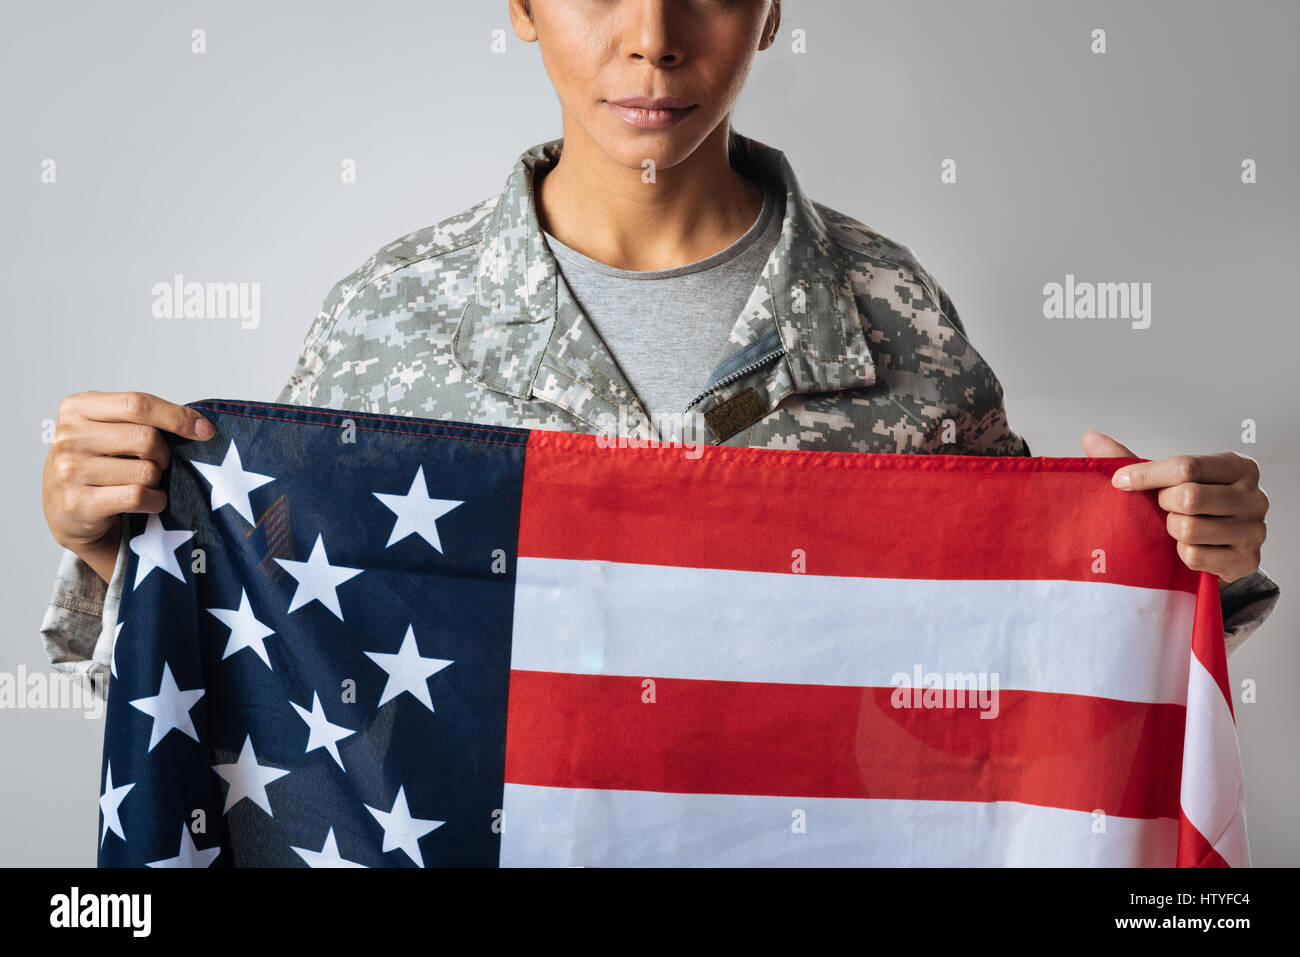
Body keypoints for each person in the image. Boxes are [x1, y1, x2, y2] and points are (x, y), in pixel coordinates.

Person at [39, 0, 1277, 692]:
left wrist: (1178, 568)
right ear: (519, 6)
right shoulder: (388, 316)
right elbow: (276, 697)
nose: (653, 35)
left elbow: (1006, 686)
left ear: (774, 9)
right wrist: (117, 562)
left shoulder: (896, 314)